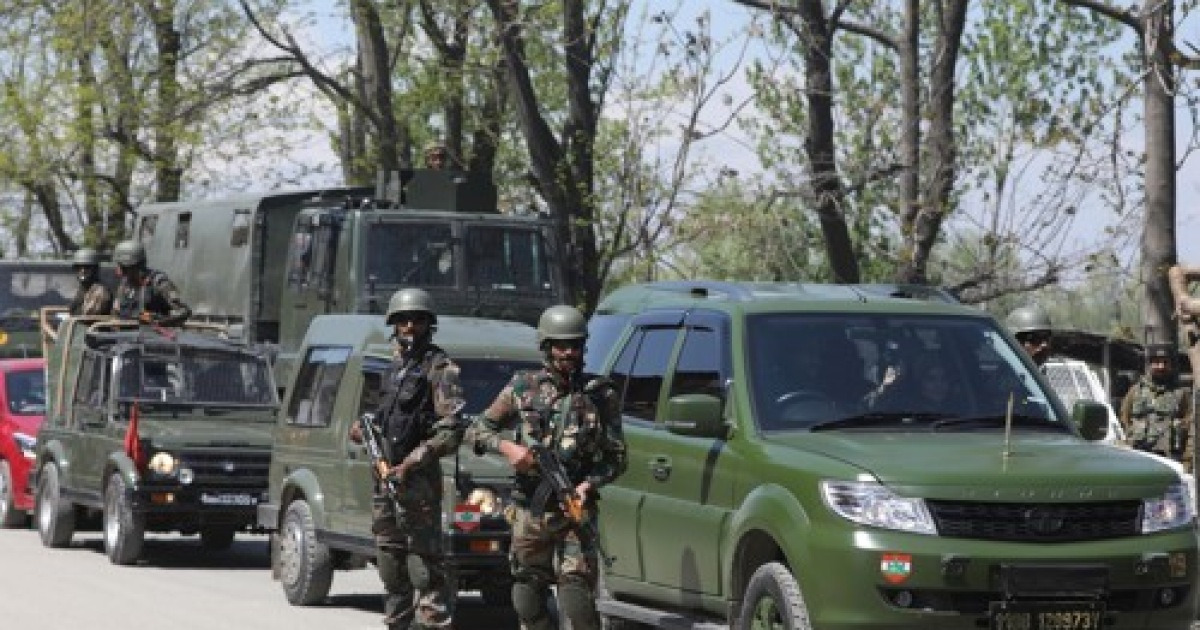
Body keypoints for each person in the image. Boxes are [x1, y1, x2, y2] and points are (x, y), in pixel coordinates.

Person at [468, 305, 626, 630]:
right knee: (526, 595)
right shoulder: (522, 387)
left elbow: (618, 457)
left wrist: (588, 486)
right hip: (530, 510)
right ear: (546, 346)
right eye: (560, 345)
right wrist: (509, 448)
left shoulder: (600, 394)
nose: (568, 353)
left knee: (577, 598)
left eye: (575, 345)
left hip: (575, 511)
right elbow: (477, 430)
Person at [349, 288, 465, 630]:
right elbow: (378, 415)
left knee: (425, 570)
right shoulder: (392, 364)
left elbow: (452, 429)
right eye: (403, 320)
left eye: (417, 320)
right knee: (390, 565)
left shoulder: (440, 368)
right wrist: (361, 428)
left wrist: (413, 462)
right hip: (384, 480)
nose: (409, 326)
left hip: (418, 486)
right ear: (393, 324)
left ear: (429, 324)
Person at [1120, 343, 1194, 472]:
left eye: (1165, 362)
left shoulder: (1182, 394)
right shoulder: (1135, 391)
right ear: (1150, 364)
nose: (1161, 366)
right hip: (1139, 456)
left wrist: (1187, 461)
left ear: (1171, 365)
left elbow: (1191, 430)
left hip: (1171, 460)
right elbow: (1125, 419)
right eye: (1157, 362)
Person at [111, 239, 191, 326]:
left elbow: (183, 312)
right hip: (124, 336)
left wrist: (159, 321)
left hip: (153, 337)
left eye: (122, 267)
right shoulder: (125, 284)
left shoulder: (159, 283)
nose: (119, 272)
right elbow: (116, 310)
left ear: (132, 266)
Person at [67, 247, 112, 316]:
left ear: (95, 269)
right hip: (78, 324)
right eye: (78, 267)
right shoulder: (84, 289)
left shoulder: (100, 291)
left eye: (87, 267)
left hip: (90, 325)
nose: (82, 271)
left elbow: (87, 316)